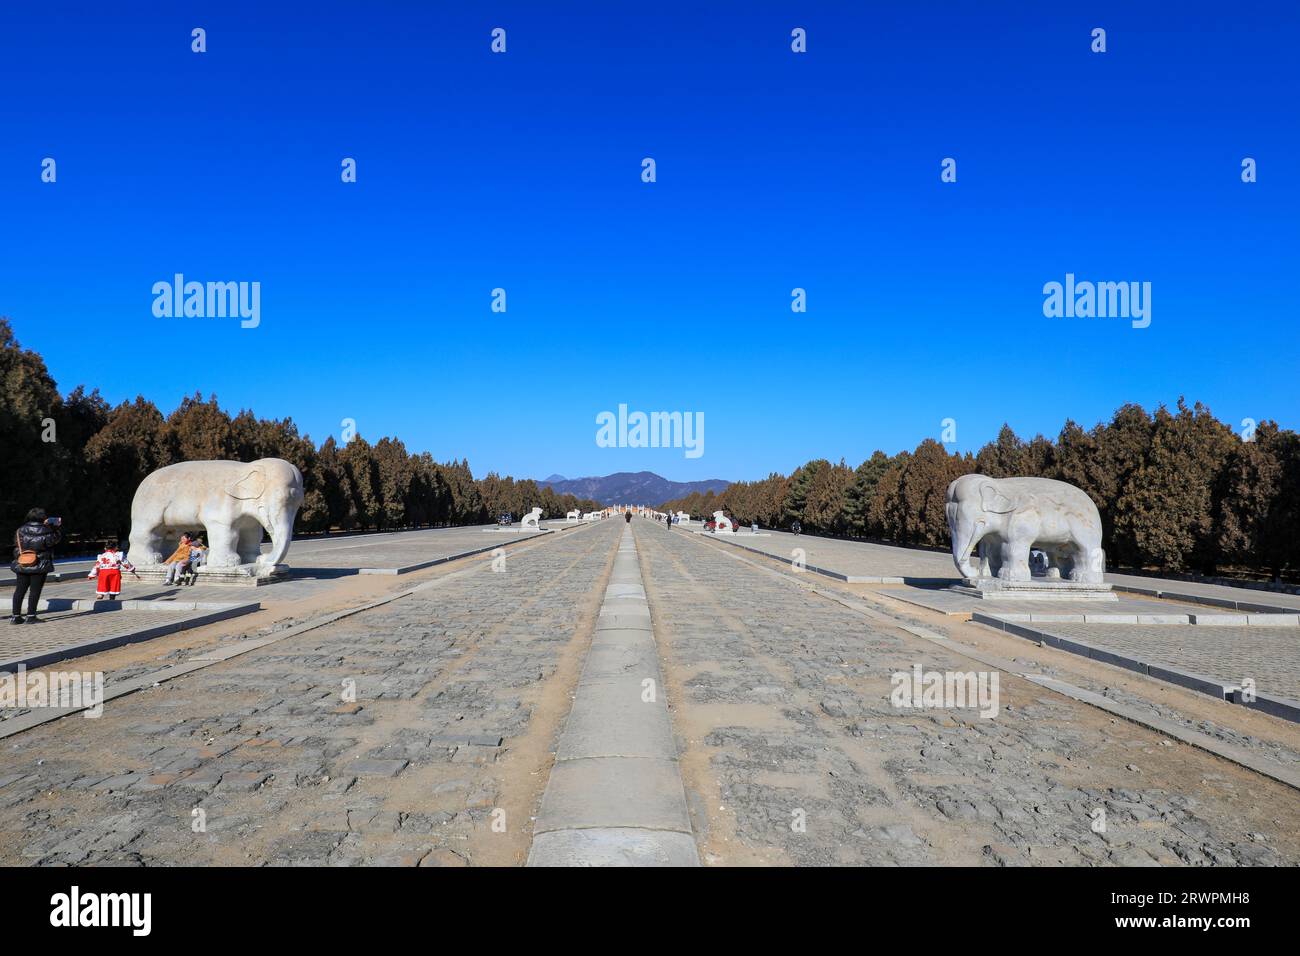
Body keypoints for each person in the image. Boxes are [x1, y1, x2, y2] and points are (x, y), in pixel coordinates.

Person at [10, 508, 62, 624]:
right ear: (43, 517)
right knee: (35, 590)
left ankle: (15, 616)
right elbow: (53, 541)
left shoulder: (20, 530)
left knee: (19, 590)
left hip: (23, 562)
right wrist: (56, 528)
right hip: (40, 563)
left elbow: (16, 543)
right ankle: (31, 616)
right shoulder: (47, 530)